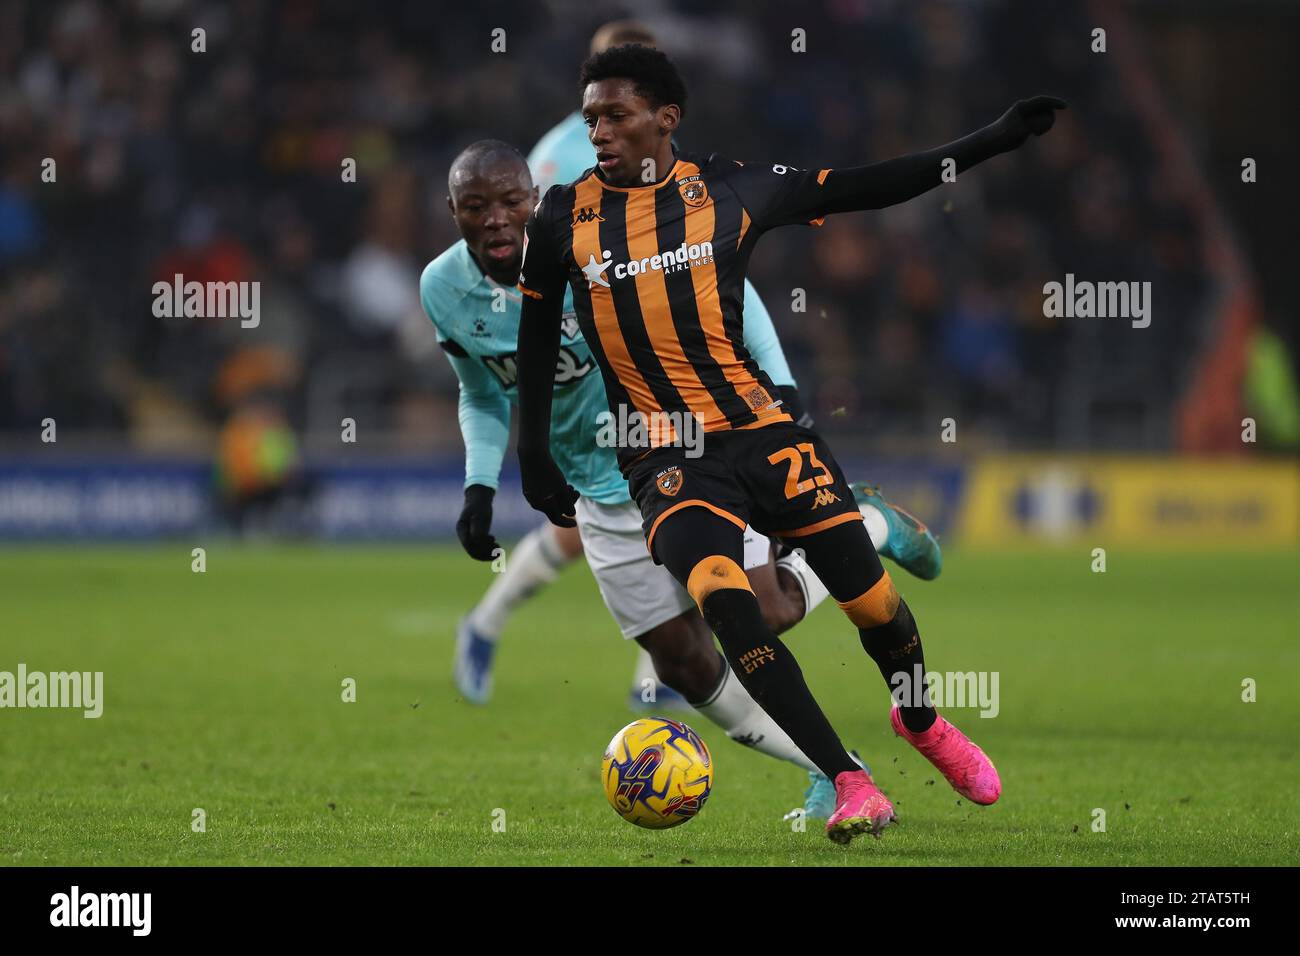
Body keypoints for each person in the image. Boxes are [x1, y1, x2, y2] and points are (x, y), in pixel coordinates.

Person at [514, 43, 1065, 843]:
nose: (598, 129)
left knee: (870, 602)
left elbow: (871, 185)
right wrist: (534, 456)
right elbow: (534, 346)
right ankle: (848, 780)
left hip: (763, 432)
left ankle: (920, 720)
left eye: (615, 114)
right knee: (729, 603)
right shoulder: (561, 217)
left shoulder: (731, 188)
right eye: (591, 115)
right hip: (664, 456)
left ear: (665, 119)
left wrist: (992, 139)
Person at [454, 19, 940, 719]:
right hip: (604, 387)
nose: (605, 123)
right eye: (599, 101)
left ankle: (859, 535)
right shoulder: (556, 163)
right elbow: (527, 264)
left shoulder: (697, 181)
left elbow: (715, 281)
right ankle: (500, 629)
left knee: (746, 594)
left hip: (698, 398)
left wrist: (779, 382)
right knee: (597, 529)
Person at [424, 140, 924, 819]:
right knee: (682, 666)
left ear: (534, 199)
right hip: (598, 493)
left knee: (766, 612)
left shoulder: (588, 241)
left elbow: (728, 292)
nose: (495, 220)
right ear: (452, 211)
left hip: (691, 456)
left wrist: (780, 384)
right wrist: (479, 486)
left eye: (512, 202)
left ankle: (870, 525)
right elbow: (483, 394)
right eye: (475, 206)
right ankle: (836, 768)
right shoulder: (442, 289)